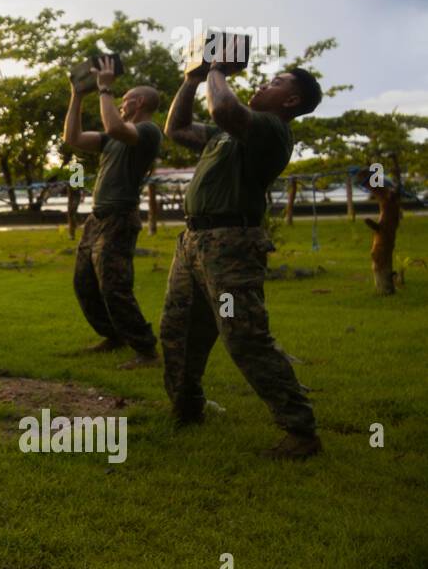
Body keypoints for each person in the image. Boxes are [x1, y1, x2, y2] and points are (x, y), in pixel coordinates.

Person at [163, 60, 325, 459]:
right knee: (179, 328)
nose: (263, 84)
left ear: (291, 100)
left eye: (275, 82)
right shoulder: (224, 136)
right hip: (194, 242)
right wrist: (191, 79)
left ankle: (301, 431)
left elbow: (223, 109)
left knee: (244, 335)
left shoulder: (272, 130)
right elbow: (177, 128)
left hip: (231, 245)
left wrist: (217, 69)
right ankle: (188, 409)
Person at [62, 60, 163, 368]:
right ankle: (113, 336)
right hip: (97, 220)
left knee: (115, 287)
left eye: (126, 99)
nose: (120, 102)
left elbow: (115, 127)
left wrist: (105, 86)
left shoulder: (147, 131)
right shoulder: (111, 139)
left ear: (140, 102)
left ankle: (146, 350)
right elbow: (73, 139)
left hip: (120, 218)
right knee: (84, 284)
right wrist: (77, 95)